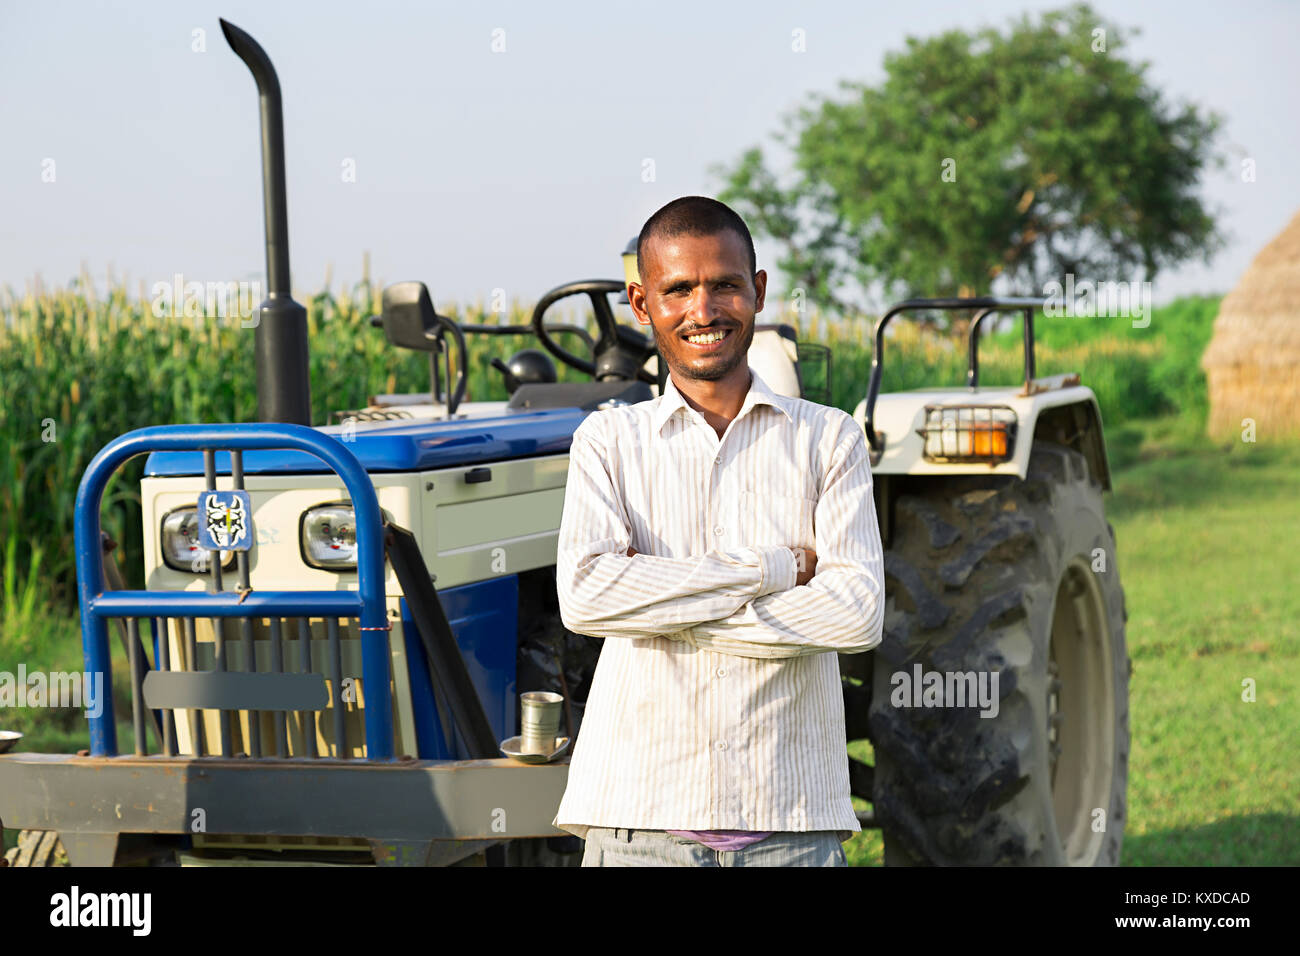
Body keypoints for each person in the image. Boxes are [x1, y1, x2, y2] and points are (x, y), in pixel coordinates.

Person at [551, 196, 885, 866]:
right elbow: (586, 598)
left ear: (756, 292)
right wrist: (769, 570)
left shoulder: (828, 439)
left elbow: (856, 616)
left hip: (789, 824)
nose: (703, 312)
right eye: (678, 290)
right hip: (639, 827)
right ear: (643, 306)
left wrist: (656, 609)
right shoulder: (609, 441)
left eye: (724, 286)